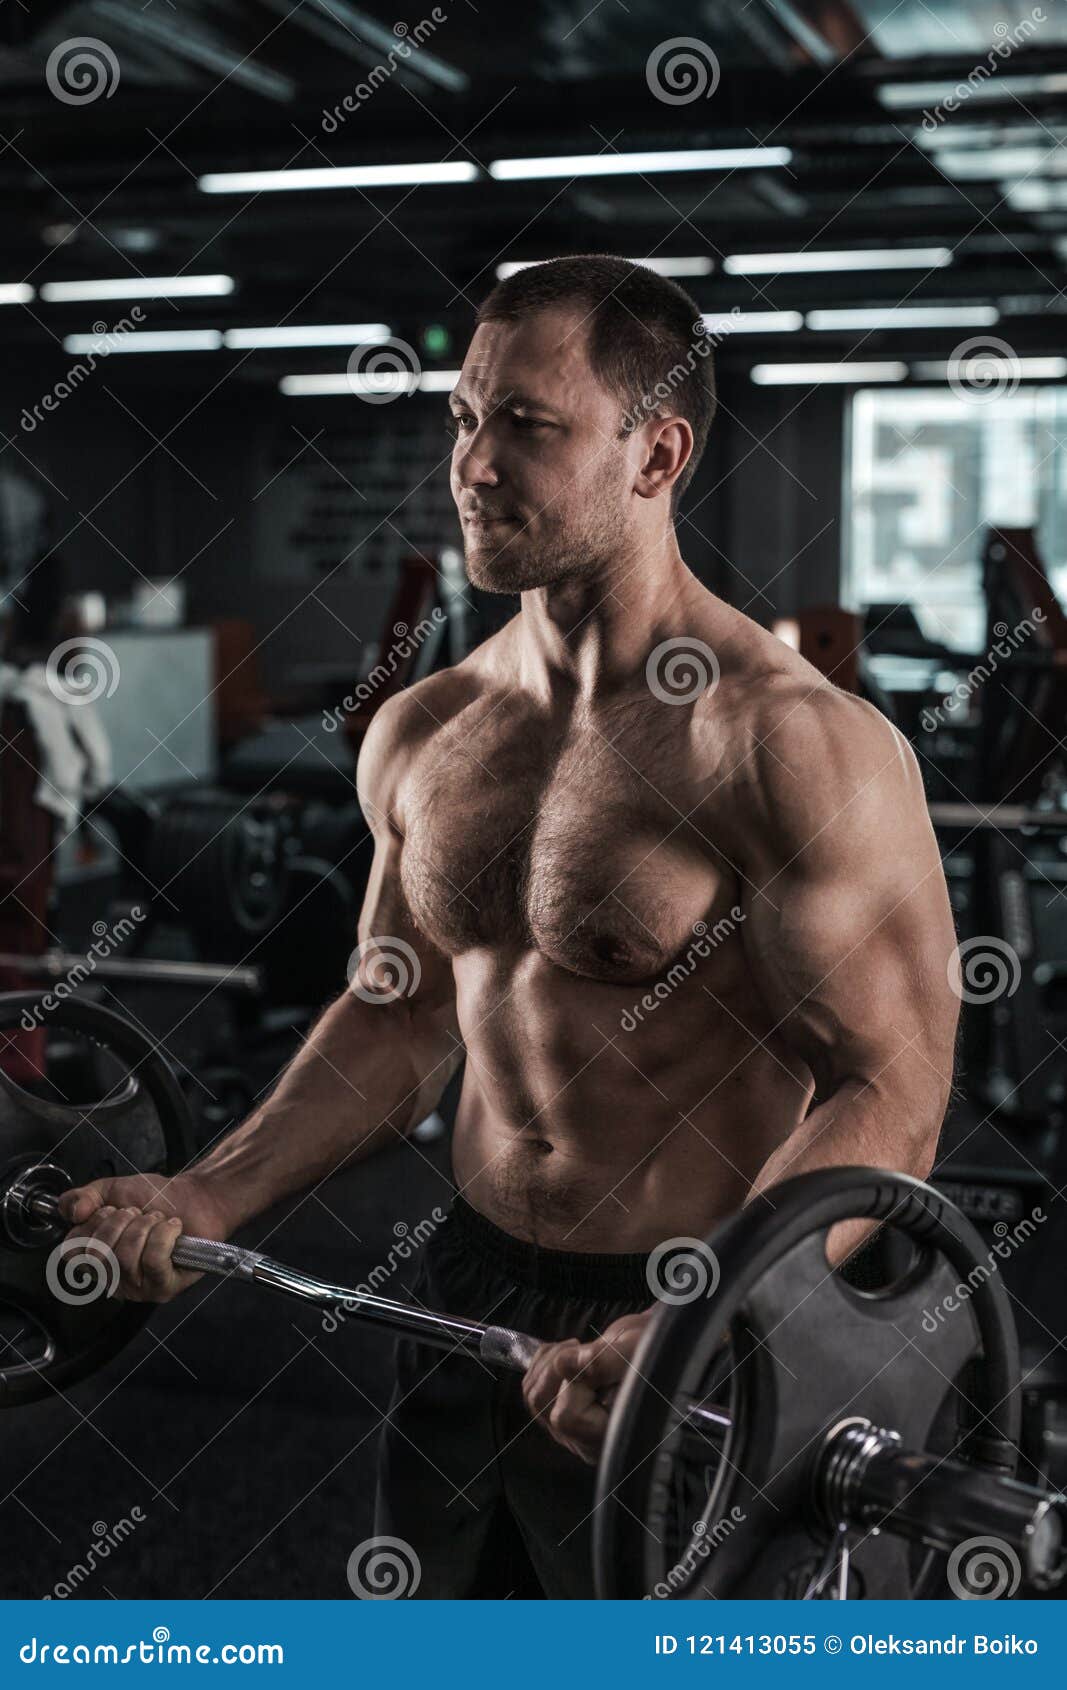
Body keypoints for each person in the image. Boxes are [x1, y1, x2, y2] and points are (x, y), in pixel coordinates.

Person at [60, 256, 959, 1598]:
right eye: (464, 420)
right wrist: (207, 1191)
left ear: (658, 453)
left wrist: (710, 1316)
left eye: (528, 425)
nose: (473, 466)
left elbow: (890, 1090)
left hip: (690, 1317)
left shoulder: (788, 742)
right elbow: (399, 1014)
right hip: (466, 1292)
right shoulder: (427, 728)